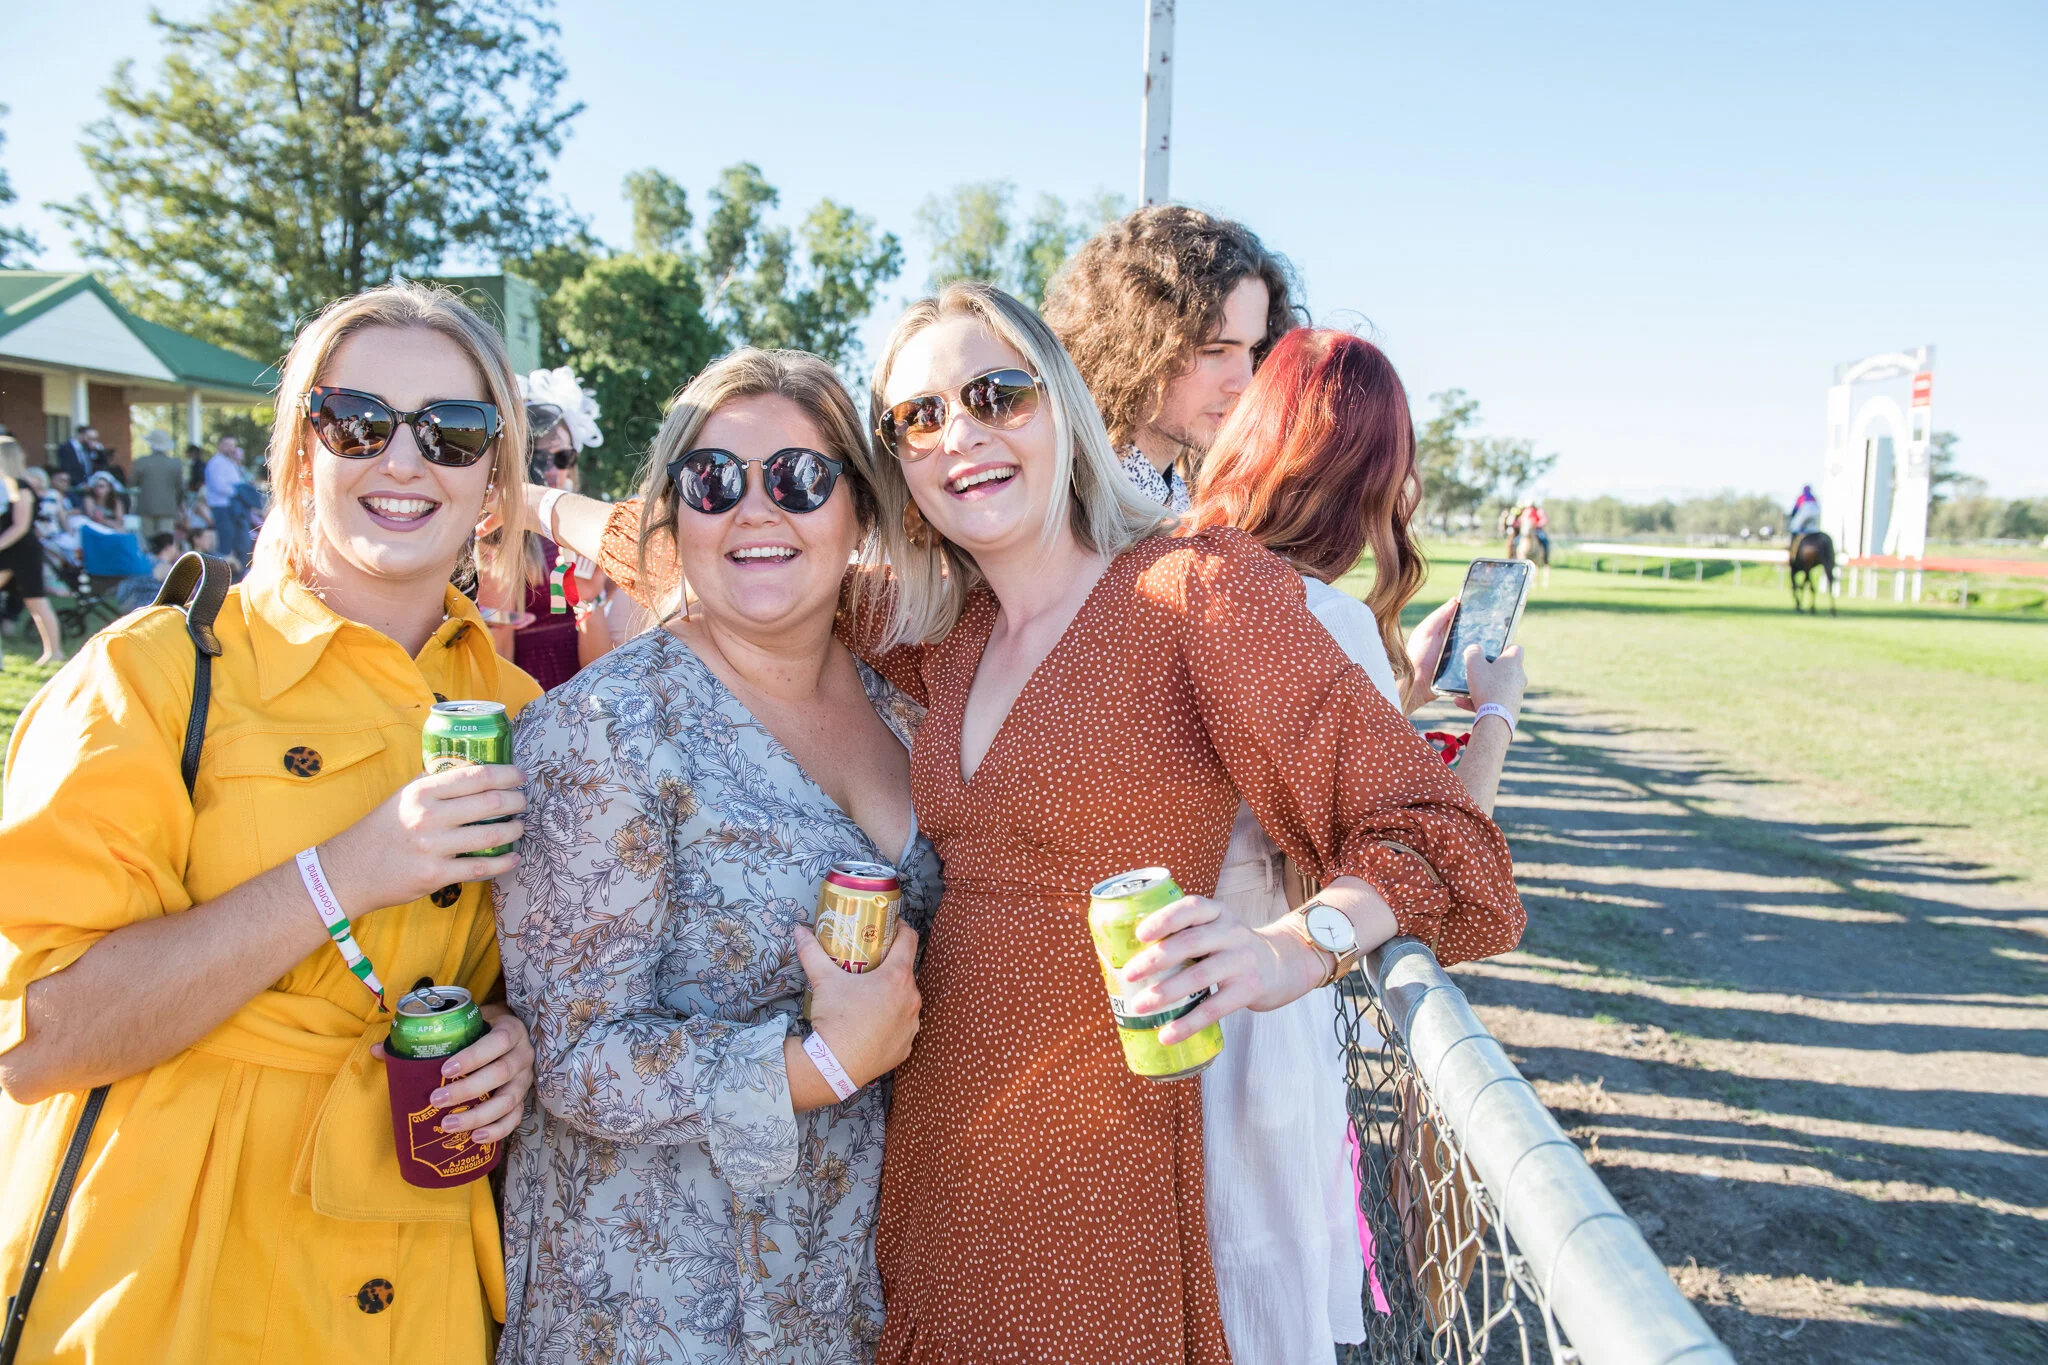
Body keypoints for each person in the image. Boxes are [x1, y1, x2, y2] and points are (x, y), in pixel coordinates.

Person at [837, 283, 1523, 1362]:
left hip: (1101, 1146)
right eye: (917, 417)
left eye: (994, 394)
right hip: (938, 1136)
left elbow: (1434, 833)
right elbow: (736, 555)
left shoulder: (1192, 594)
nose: (958, 434)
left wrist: (1291, 950)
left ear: (1061, 405)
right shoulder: (943, 630)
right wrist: (535, 504)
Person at [0, 281, 541, 1365]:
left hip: (416, 1286)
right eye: (357, 422)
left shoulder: (527, 716)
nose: (402, 460)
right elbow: (38, 1040)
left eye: (452, 431)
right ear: (301, 451)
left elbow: (515, 980)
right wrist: (347, 869)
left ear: (492, 479)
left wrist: (514, 1046)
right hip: (178, 1285)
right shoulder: (151, 677)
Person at [493, 349, 936, 1363]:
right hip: (661, 1296)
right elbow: (573, 1055)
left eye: (797, 478)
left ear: (858, 512)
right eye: (712, 482)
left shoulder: (907, 714)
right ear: (672, 517)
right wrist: (816, 1065)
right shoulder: (598, 731)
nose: (754, 511)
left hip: (853, 1279)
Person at [1183, 328, 1528, 1361]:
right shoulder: (1318, 617)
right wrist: (1496, 715)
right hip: (1259, 1002)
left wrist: (1400, 690)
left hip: (1175, 987)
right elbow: (1433, 855)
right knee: (1253, 1297)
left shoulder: (1188, 573)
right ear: (1371, 476)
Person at [1042, 204, 1300, 513]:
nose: (1245, 383)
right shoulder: (1076, 502)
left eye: (1254, 351)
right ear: (1138, 346)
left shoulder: (1171, 493)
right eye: (1214, 351)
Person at [490, 367, 615, 687]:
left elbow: (601, 665)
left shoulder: (582, 531)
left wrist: (590, 599)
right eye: (542, 458)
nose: (554, 470)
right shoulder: (495, 532)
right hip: (523, 692)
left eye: (564, 458)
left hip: (583, 690)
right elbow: (498, 650)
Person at [0, 431, 66, 665]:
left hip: (21, 553)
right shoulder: (7, 487)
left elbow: (20, 526)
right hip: (9, 552)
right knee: (35, 602)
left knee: (36, 601)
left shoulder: (21, 487)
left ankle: (54, 651)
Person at [131, 428, 188, 541]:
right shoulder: (175, 463)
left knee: (148, 540)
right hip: (168, 507)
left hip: (146, 507)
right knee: (165, 541)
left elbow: (132, 482)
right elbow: (180, 488)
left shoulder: (142, 461)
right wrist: (179, 504)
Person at [205, 435, 254, 566]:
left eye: (233, 445)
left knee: (241, 541)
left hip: (235, 507)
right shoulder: (216, 463)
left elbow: (242, 478)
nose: (231, 448)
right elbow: (218, 486)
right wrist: (238, 491)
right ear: (220, 445)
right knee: (226, 543)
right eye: (228, 445)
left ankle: (241, 570)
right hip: (223, 507)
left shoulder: (231, 462)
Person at [51, 425, 98, 499]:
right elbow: (66, 468)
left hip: (88, 487)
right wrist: (79, 484)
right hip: (74, 488)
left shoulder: (88, 449)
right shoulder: (66, 448)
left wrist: (96, 450)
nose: (92, 441)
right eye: (89, 438)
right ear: (81, 435)